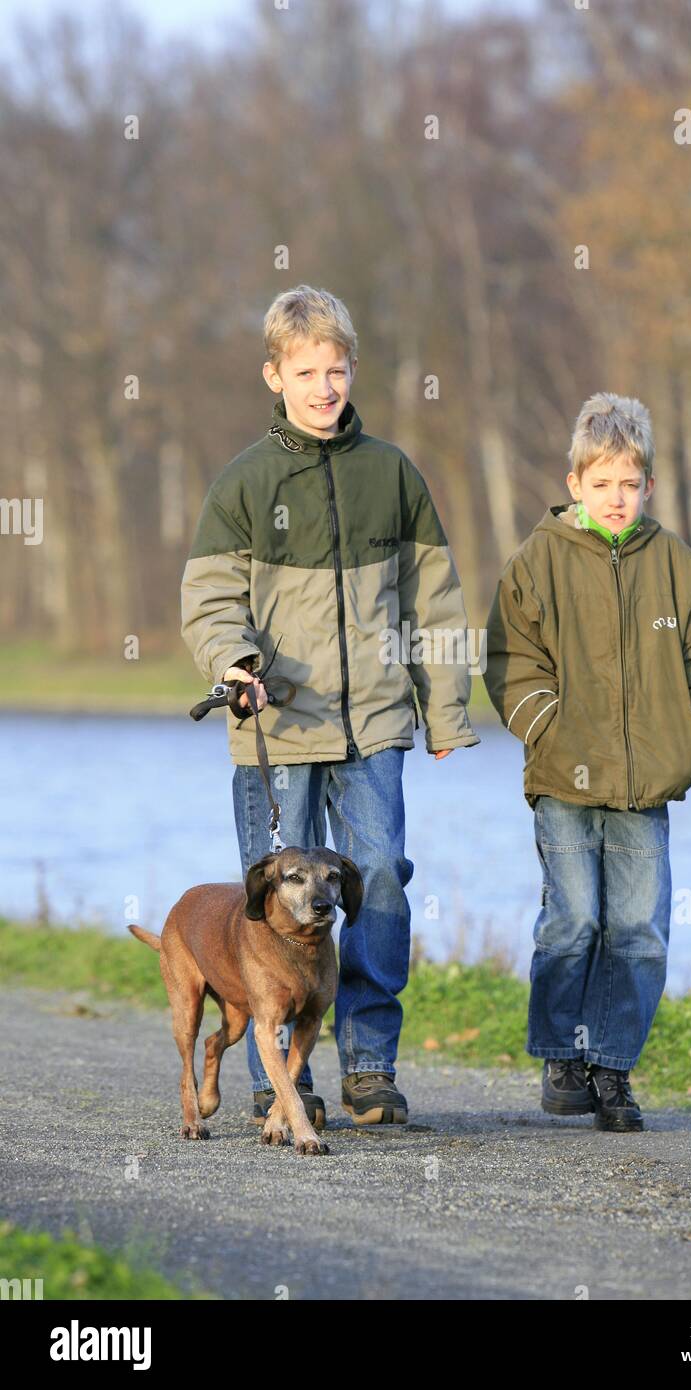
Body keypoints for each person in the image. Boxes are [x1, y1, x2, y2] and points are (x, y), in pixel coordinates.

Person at [180, 284, 478, 1128]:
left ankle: (370, 1065)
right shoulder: (243, 482)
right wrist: (233, 661)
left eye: (336, 369)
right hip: (276, 727)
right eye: (305, 371)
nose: (323, 386)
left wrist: (446, 711)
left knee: (378, 878)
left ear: (352, 371)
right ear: (273, 375)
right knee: (273, 908)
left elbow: (438, 603)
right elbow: (208, 599)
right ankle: (277, 1077)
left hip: (375, 726)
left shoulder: (392, 473)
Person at [483, 392, 691, 1131]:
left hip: (646, 784)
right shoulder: (537, 560)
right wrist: (546, 728)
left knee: (639, 929)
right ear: (574, 483)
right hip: (563, 778)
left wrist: (689, 735)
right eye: (601, 483)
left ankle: (612, 1068)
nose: (616, 498)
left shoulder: (676, 565)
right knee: (576, 919)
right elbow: (508, 662)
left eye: (629, 483)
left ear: (647, 485)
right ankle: (562, 1055)